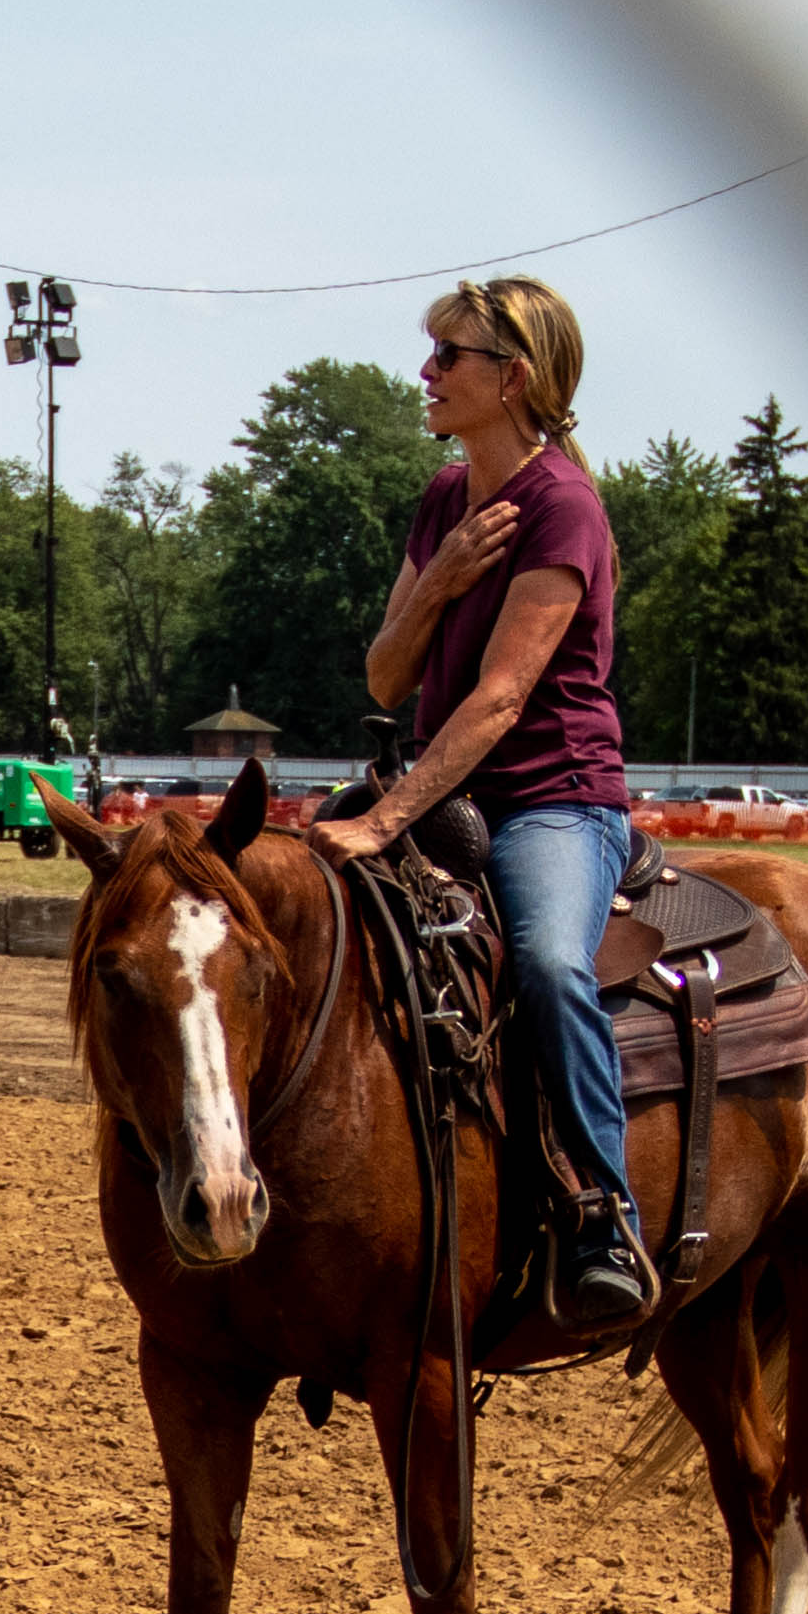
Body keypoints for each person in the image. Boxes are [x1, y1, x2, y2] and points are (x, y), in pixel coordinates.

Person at [305, 275, 650, 1330]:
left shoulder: (565, 509)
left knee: (547, 963)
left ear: (515, 378)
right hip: (445, 781)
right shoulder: (446, 502)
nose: (427, 373)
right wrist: (443, 574)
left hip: (554, 798)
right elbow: (383, 676)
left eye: (448, 356)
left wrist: (381, 821)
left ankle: (605, 1212)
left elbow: (503, 700)